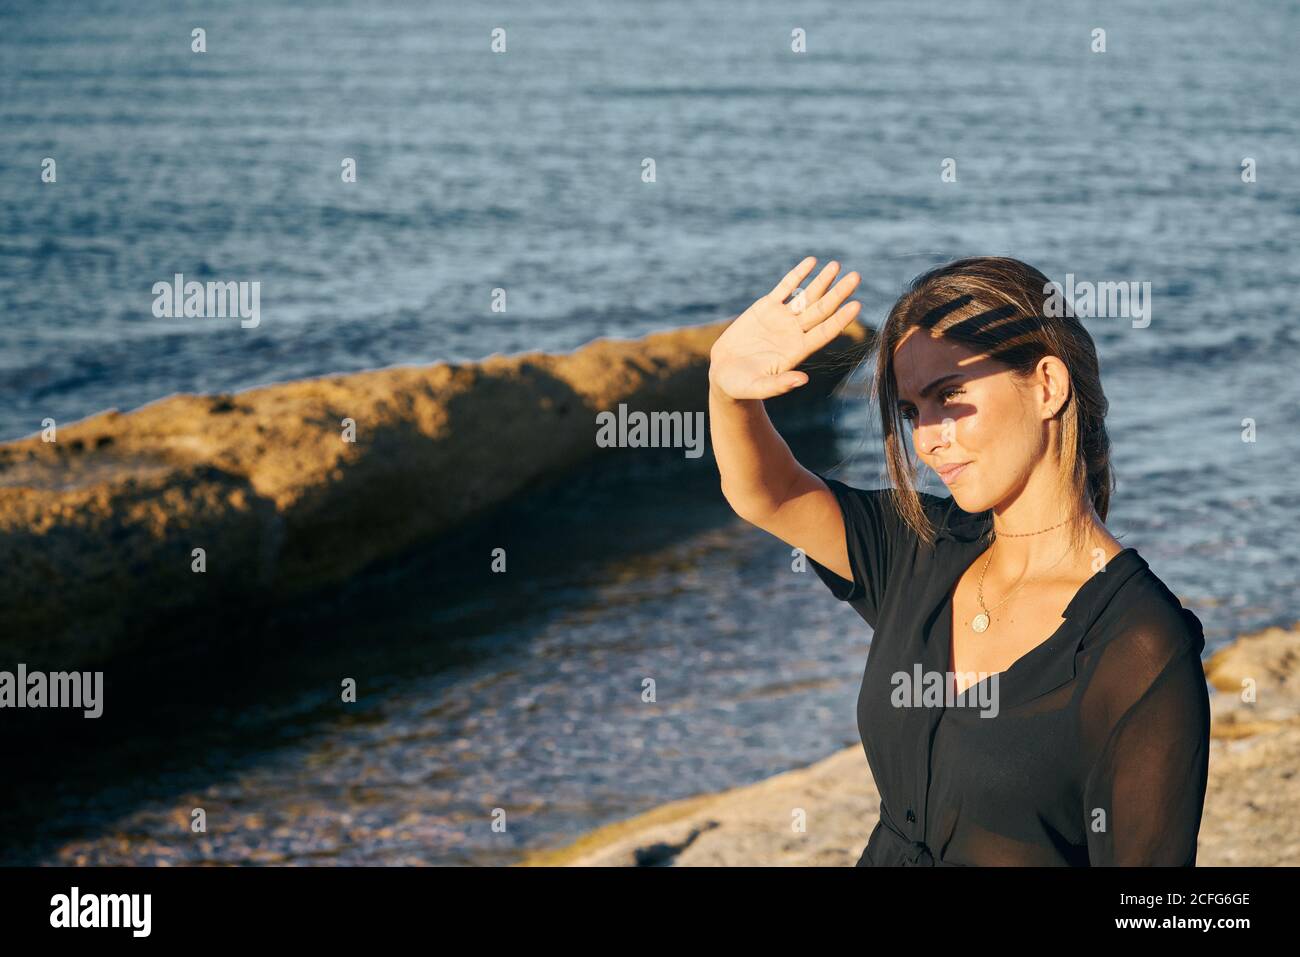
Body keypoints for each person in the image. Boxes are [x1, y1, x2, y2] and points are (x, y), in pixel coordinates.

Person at [708, 255, 1211, 866]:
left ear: (1048, 386)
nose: (926, 437)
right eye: (911, 411)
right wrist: (728, 391)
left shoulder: (1139, 646)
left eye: (949, 395)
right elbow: (772, 494)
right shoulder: (919, 546)